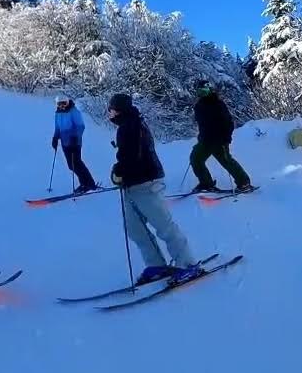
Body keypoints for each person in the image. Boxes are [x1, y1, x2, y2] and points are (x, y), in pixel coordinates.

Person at [107, 93, 200, 284]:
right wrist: (120, 172)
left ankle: (189, 265)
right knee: (135, 229)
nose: (110, 113)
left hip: (146, 183)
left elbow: (133, 156)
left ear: (120, 109)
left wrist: (119, 170)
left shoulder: (131, 126)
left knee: (164, 226)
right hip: (133, 185)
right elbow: (127, 156)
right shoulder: (128, 125)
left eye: (112, 109)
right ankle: (156, 265)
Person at [189, 80, 253, 193]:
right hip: (205, 140)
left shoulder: (217, 103)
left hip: (219, 140)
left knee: (226, 161)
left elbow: (228, 122)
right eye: (200, 91)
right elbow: (202, 124)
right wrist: (201, 135)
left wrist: (226, 137)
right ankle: (206, 183)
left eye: (204, 91)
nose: (202, 93)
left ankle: (244, 183)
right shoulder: (199, 106)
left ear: (209, 90)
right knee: (195, 159)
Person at [52, 96, 98, 193]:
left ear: (68, 103)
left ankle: (87, 184)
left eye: (64, 103)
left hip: (74, 142)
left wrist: (75, 137)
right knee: (71, 165)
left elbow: (80, 126)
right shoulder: (58, 113)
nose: (62, 106)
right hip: (65, 143)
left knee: (76, 163)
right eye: (59, 104)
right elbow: (57, 128)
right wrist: (55, 138)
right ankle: (87, 183)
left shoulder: (74, 112)